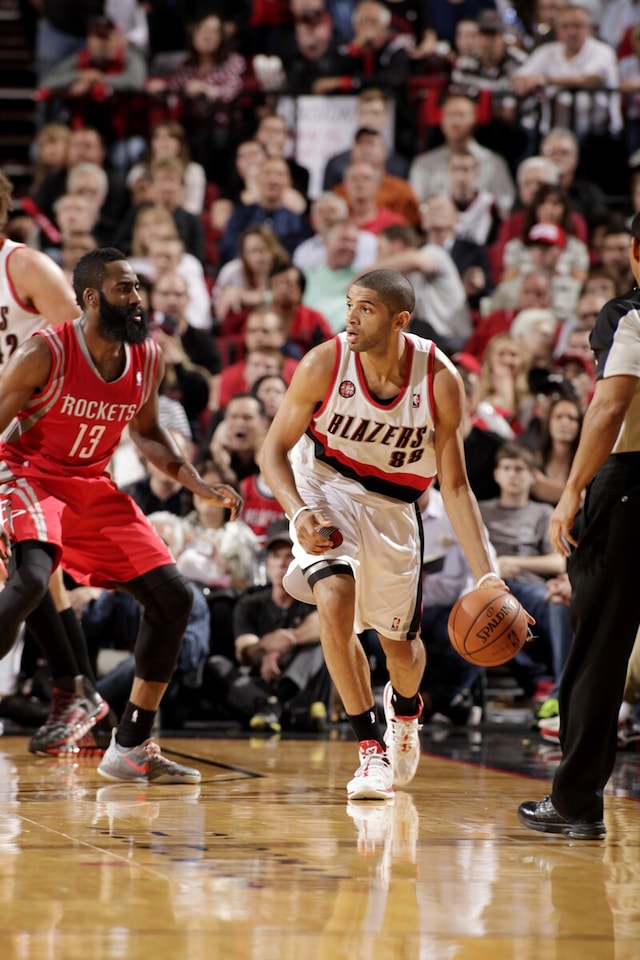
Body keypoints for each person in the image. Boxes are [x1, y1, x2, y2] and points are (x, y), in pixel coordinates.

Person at [259, 268, 514, 800]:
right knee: (333, 594)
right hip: (323, 484)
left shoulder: (438, 378)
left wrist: (488, 574)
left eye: (366, 308)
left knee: (401, 649)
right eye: (350, 304)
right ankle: (369, 747)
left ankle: (404, 708)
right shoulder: (323, 363)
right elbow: (272, 450)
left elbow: (458, 487)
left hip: (394, 507)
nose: (350, 316)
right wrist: (299, 511)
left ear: (400, 320)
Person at [0, 247, 242, 783]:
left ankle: (131, 746)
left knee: (175, 598)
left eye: (137, 288)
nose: (137, 300)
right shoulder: (45, 352)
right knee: (31, 582)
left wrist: (193, 478)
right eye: (124, 290)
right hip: (26, 476)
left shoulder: (149, 357)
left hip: (91, 485)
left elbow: (149, 433)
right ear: (91, 298)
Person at [518, 211, 640, 841]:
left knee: (599, 648)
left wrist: (569, 494)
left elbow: (612, 402)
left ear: (635, 251)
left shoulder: (628, 312)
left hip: (628, 487)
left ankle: (575, 802)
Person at [0, 171, 112, 755]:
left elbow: (87, 344)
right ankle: (79, 692)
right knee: (40, 574)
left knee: (32, 571)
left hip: (29, 440)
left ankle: (78, 691)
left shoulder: (24, 267)